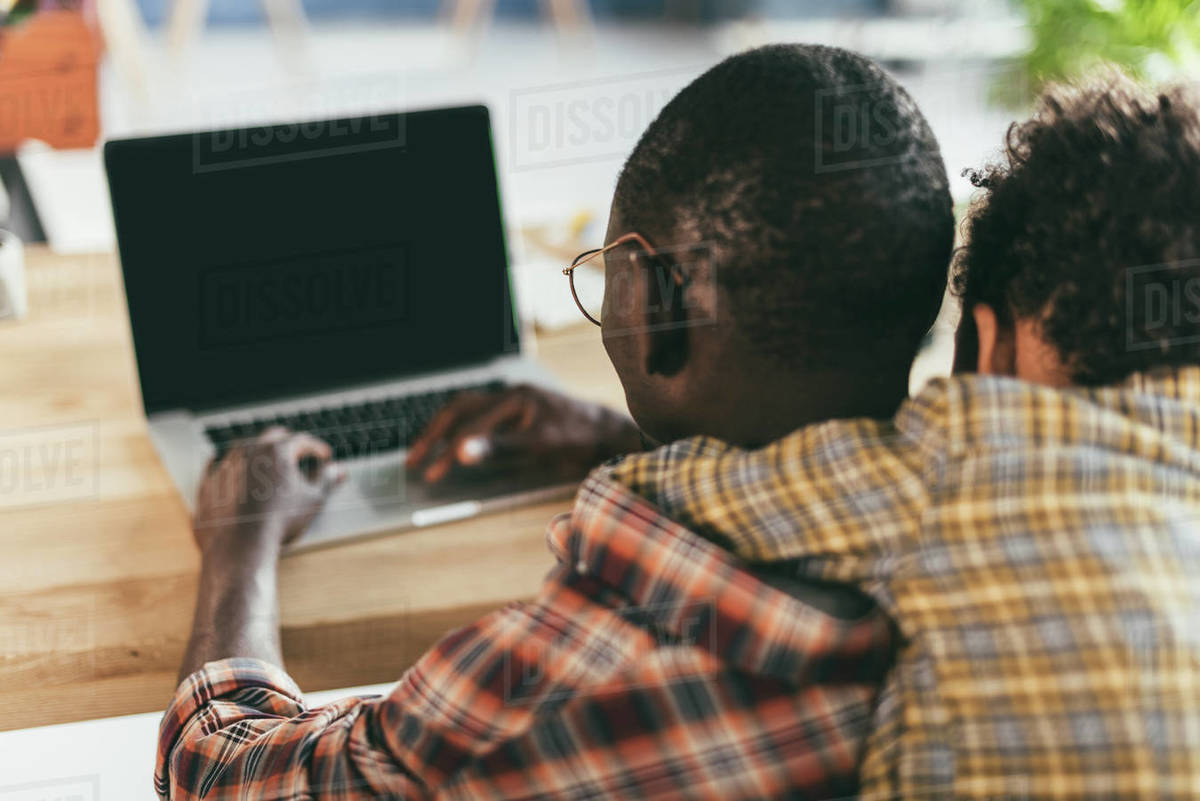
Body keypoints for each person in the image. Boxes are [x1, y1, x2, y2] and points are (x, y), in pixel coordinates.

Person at [156, 44, 955, 801]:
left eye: (605, 269)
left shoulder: (567, 682)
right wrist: (616, 439)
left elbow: (215, 771)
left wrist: (239, 540)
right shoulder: (1006, 527)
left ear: (654, 305)